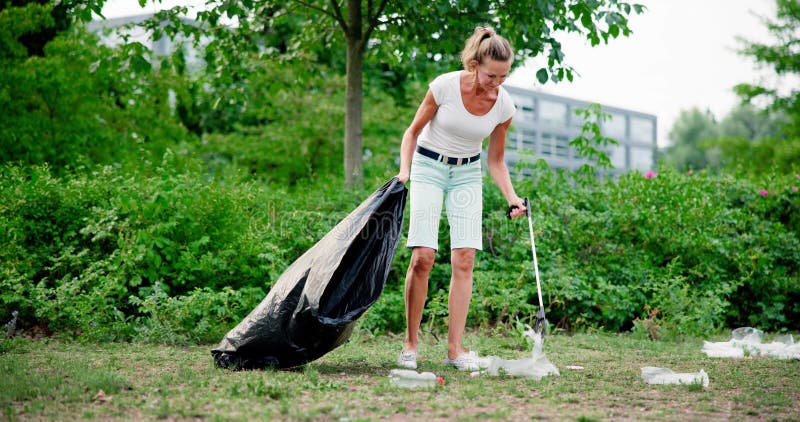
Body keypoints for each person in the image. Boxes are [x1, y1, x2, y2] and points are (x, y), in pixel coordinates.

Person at [395, 26, 527, 371]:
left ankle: (455, 350)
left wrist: (512, 197)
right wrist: (405, 171)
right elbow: (412, 132)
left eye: (503, 76)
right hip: (428, 165)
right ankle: (410, 344)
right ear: (474, 64)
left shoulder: (504, 106)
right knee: (423, 256)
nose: (496, 83)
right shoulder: (444, 86)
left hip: (467, 173)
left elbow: (496, 161)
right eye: (491, 76)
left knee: (465, 258)